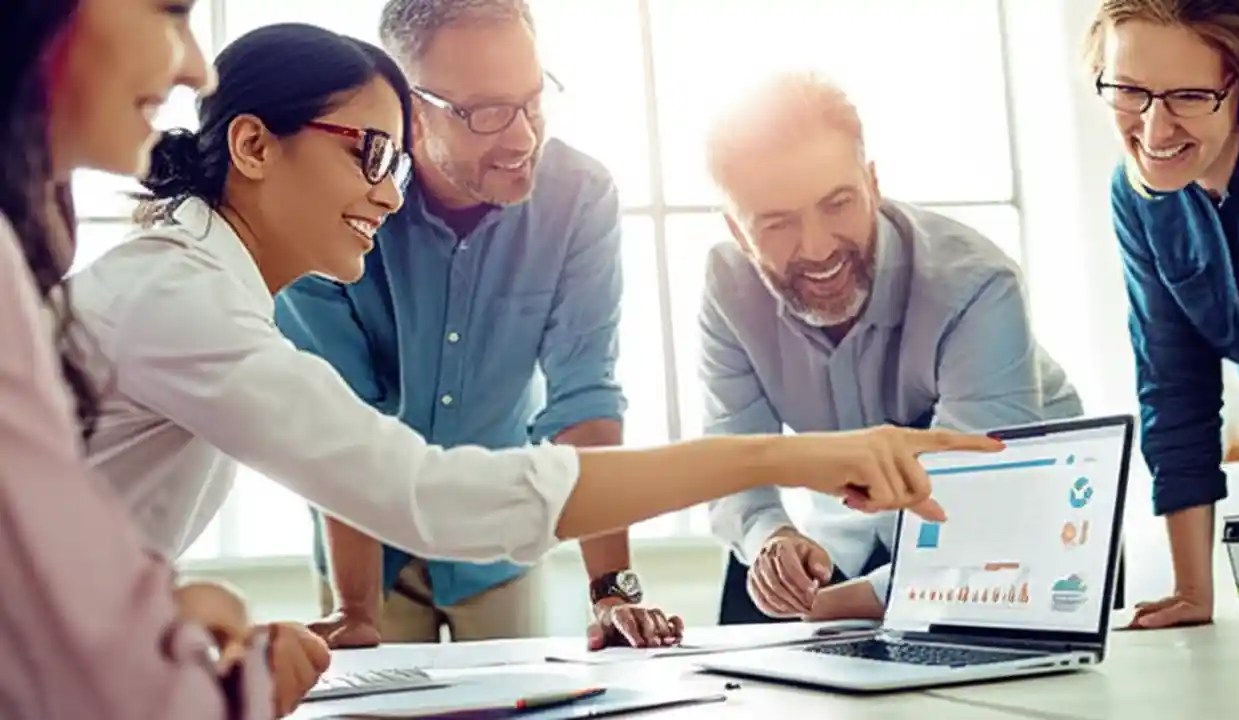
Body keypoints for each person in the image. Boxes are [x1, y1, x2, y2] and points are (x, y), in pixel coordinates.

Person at [64, 19, 1003, 654]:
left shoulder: (198, 284)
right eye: (373, 153)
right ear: (256, 148)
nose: (390, 192)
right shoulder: (184, 302)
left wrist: (614, 585)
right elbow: (415, 489)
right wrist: (785, 459)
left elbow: (576, 402)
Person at [271, 0, 655, 650]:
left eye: (532, 102)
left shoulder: (580, 197)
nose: (524, 138)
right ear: (408, 108)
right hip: (364, 543)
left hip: (496, 535)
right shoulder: (327, 204)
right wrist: (357, 606)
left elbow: (583, 396)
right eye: (486, 113)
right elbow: (333, 419)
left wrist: (612, 589)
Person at [699, 72, 1084, 624]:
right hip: (854, 528)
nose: (818, 248)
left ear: (873, 186)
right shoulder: (729, 288)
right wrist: (770, 538)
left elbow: (987, 505)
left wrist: (854, 602)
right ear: (738, 233)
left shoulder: (975, 286)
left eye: (838, 204)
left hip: (1025, 520)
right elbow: (730, 462)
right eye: (778, 224)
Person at [0, 0, 288, 716]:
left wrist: (160, 623)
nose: (196, 66)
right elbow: (121, 696)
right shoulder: (177, 287)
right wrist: (235, 678)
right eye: (169, 11)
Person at [1086, 0, 1239, 631]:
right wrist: (1192, 590)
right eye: (1130, 90)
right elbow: (1173, 385)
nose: (1155, 129)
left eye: (1190, 96)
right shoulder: (1139, 197)